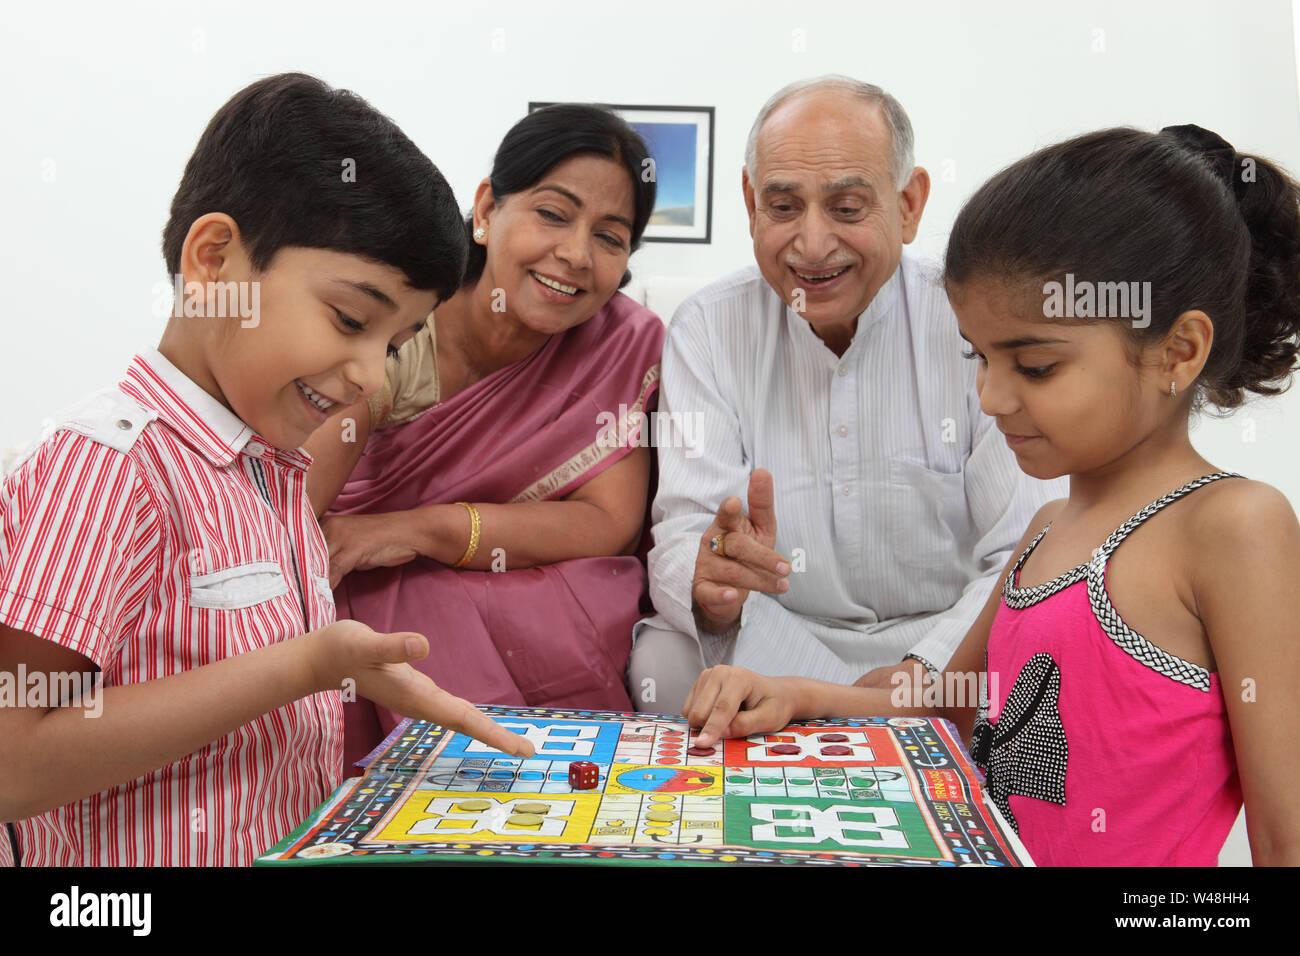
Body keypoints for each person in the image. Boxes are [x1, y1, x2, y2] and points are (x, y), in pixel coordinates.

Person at [682, 124, 1300, 866]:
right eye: (978, 356)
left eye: (1034, 366)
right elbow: (950, 705)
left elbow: (1285, 833)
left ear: (1177, 351)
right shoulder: (1044, 530)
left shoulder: (1235, 526)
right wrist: (797, 694)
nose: (991, 396)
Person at [0, 73, 533, 867]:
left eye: (393, 344)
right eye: (351, 319)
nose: (370, 376)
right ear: (213, 260)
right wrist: (305, 665)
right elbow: (14, 763)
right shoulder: (110, 467)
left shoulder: (270, 471)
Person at [630, 76, 1063, 714]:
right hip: (772, 639)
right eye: (783, 207)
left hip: (946, 642)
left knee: (1044, 667)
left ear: (909, 203)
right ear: (751, 203)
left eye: (847, 208)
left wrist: (924, 669)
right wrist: (710, 580)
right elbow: (688, 529)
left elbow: (1025, 544)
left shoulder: (974, 319)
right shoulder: (710, 327)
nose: (811, 243)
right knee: (663, 661)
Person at [303, 104, 664, 766]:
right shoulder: (405, 313)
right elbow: (296, 509)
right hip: (358, 565)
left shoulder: (624, 344)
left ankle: (548, 798)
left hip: (495, 565)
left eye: (610, 238)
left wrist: (421, 531)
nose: (575, 255)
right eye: (553, 215)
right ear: (487, 208)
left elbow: (607, 522)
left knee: (571, 587)